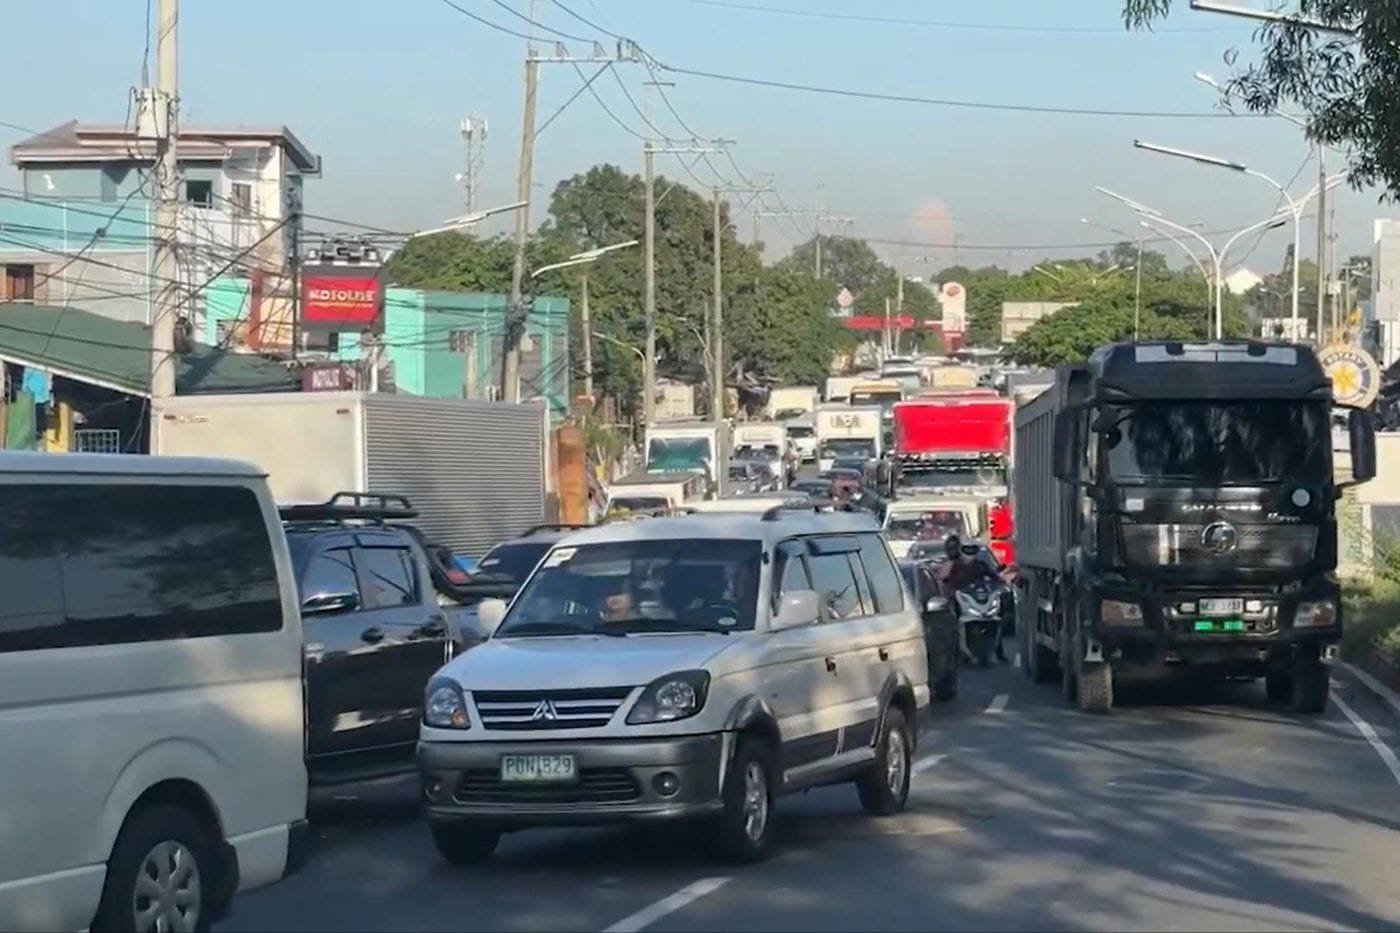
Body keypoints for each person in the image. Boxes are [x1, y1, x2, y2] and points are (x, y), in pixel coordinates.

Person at [935, 535, 1003, 663]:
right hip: (963, 598)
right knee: (954, 621)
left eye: (972, 550)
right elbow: (950, 581)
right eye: (967, 550)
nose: (970, 553)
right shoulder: (956, 565)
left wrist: (999, 584)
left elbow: (994, 577)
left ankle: (999, 652)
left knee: (995, 617)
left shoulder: (981, 565)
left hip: (979, 598)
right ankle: (956, 652)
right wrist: (950, 588)